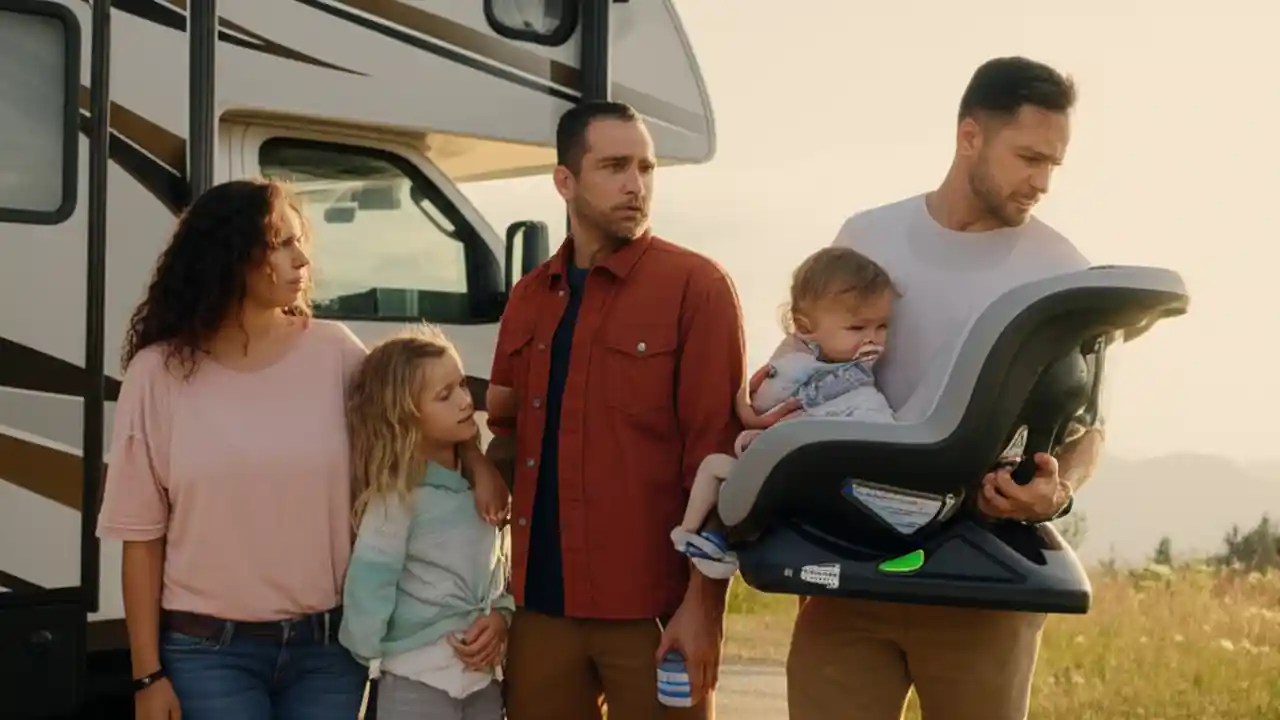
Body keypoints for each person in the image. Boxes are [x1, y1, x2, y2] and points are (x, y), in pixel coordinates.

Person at [785, 56, 1107, 720]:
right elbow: (806, 365)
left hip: (984, 581)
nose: (1041, 181)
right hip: (852, 574)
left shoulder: (1062, 271)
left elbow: (1092, 427)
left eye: (1053, 164)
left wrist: (1058, 487)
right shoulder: (868, 237)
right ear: (969, 137)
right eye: (1027, 157)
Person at [484, 100, 787, 720]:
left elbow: (718, 460)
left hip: (652, 614)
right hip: (541, 611)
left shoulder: (696, 288)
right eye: (615, 166)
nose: (636, 185)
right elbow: (506, 438)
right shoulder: (528, 297)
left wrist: (704, 610)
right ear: (565, 181)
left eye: (646, 168)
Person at [95, 179, 371, 719]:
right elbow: (141, 538)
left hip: (329, 651)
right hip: (206, 656)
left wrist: (478, 464)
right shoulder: (159, 374)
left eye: (300, 241)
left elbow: (414, 437)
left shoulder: (336, 353)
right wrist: (146, 676)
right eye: (281, 244)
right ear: (231, 255)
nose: (302, 258)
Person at [671, 245, 899, 578]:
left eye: (882, 327)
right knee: (716, 467)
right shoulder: (799, 365)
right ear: (806, 327)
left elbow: (876, 434)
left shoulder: (858, 387)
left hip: (818, 476)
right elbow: (766, 403)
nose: (873, 340)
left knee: (737, 472)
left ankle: (719, 537)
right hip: (788, 464)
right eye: (857, 329)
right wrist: (751, 404)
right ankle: (694, 535)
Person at [338, 324, 515, 720]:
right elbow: (370, 580)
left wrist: (501, 616)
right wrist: (369, 651)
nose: (466, 401)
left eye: (462, 386)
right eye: (445, 395)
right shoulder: (398, 497)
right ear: (404, 415)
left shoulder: (476, 487)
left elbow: (495, 575)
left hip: (482, 681)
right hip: (416, 681)